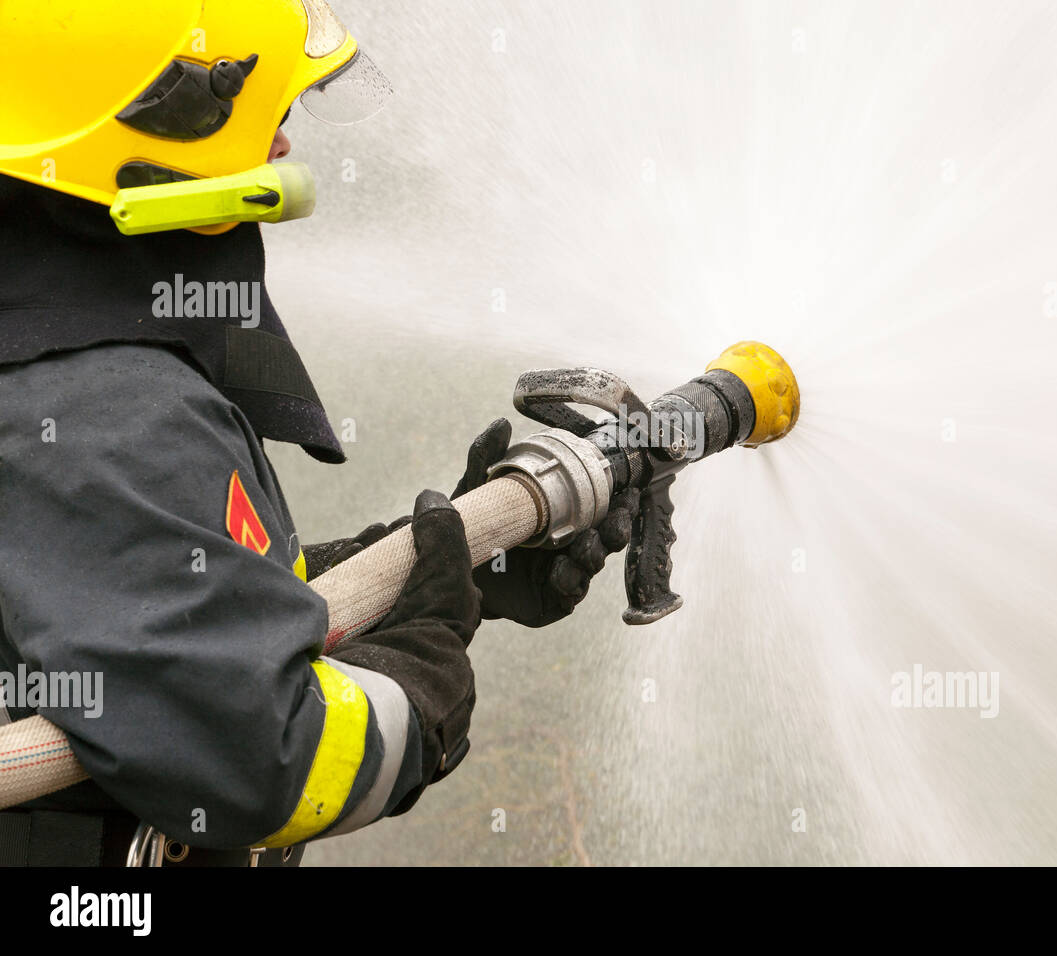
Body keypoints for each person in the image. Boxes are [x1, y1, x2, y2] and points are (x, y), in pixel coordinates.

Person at [0, 0, 631, 866]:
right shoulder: (106, 412)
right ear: (160, 125)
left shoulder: (51, 366)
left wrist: (416, 570)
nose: (285, 148)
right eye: (271, 116)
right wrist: (419, 677)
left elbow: (135, 608)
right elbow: (258, 757)